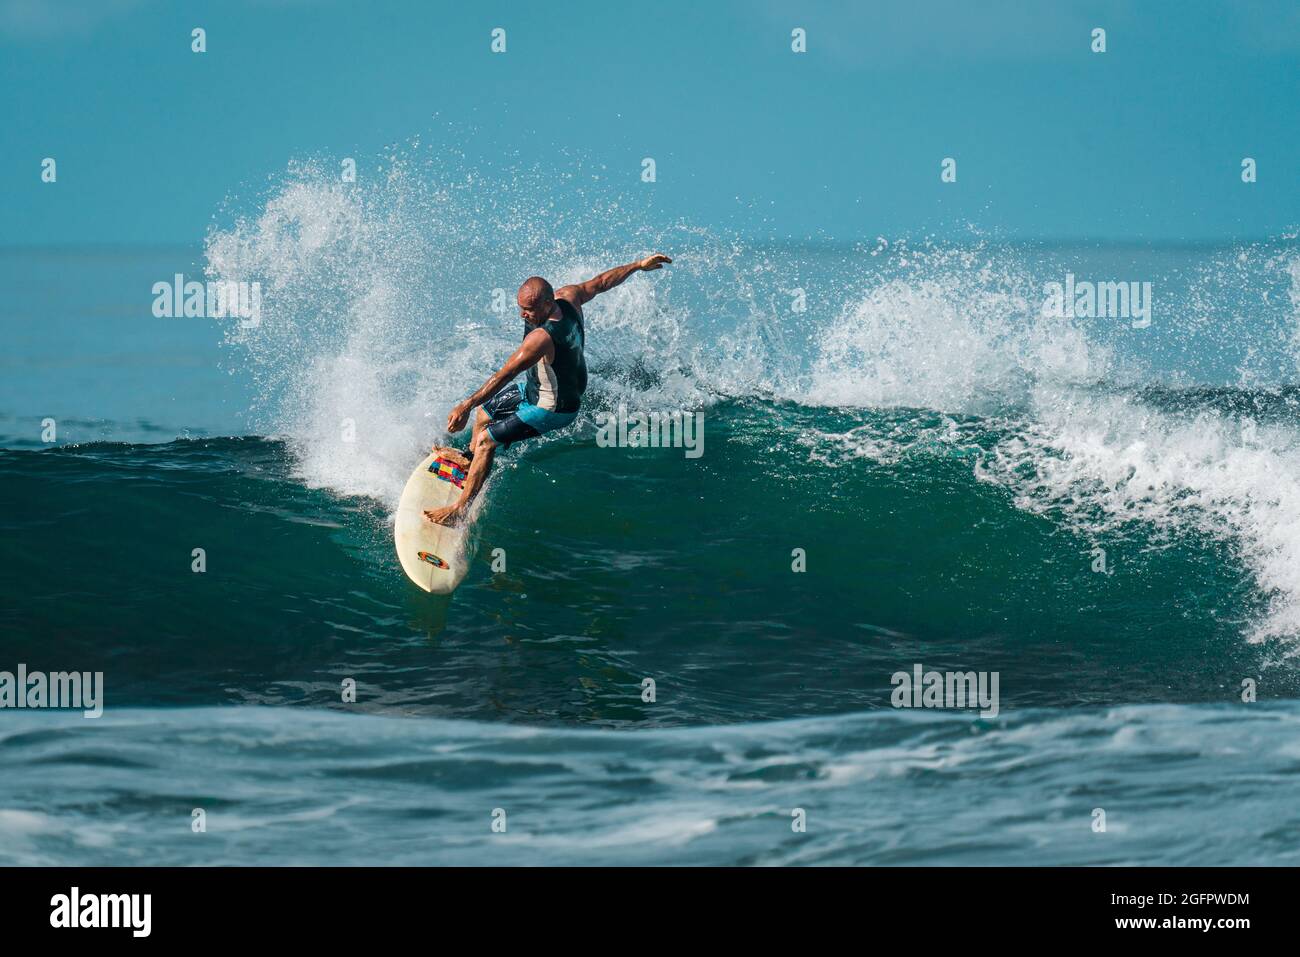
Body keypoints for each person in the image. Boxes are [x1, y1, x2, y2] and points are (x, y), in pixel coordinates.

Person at [424, 253, 672, 525]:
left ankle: (460, 510)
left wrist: (465, 405)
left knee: (486, 440)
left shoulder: (542, 338)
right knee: (484, 414)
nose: (523, 315)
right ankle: (471, 463)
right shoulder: (569, 297)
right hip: (538, 387)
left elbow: (504, 375)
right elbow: (601, 282)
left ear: (546, 303)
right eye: (520, 308)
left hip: (552, 407)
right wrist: (637, 265)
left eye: (529, 310)